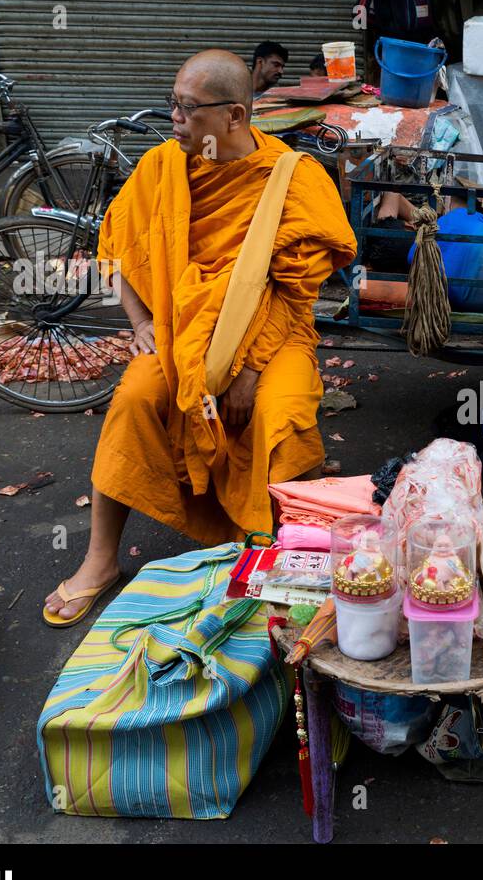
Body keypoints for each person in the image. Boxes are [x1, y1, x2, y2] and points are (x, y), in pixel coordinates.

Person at [42, 49, 356, 626]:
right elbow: (116, 250)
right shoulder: (161, 167)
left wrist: (250, 368)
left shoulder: (293, 178)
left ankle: (283, 556)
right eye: (172, 105)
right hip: (180, 331)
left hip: (272, 337)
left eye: (187, 109)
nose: (174, 120)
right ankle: (100, 558)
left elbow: (297, 293)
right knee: (136, 396)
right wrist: (141, 324)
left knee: (280, 411)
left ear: (235, 116)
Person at [362, 191, 483, 312]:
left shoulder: (432, 288)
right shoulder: (455, 218)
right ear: (410, 226)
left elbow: (360, 287)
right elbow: (392, 194)